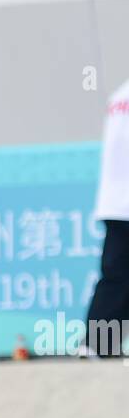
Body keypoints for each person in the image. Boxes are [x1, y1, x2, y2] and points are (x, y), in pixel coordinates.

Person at [85, 77, 129, 358]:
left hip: (114, 200)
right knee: (119, 277)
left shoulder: (119, 94)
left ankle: (98, 344)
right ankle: (98, 344)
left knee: (117, 276)